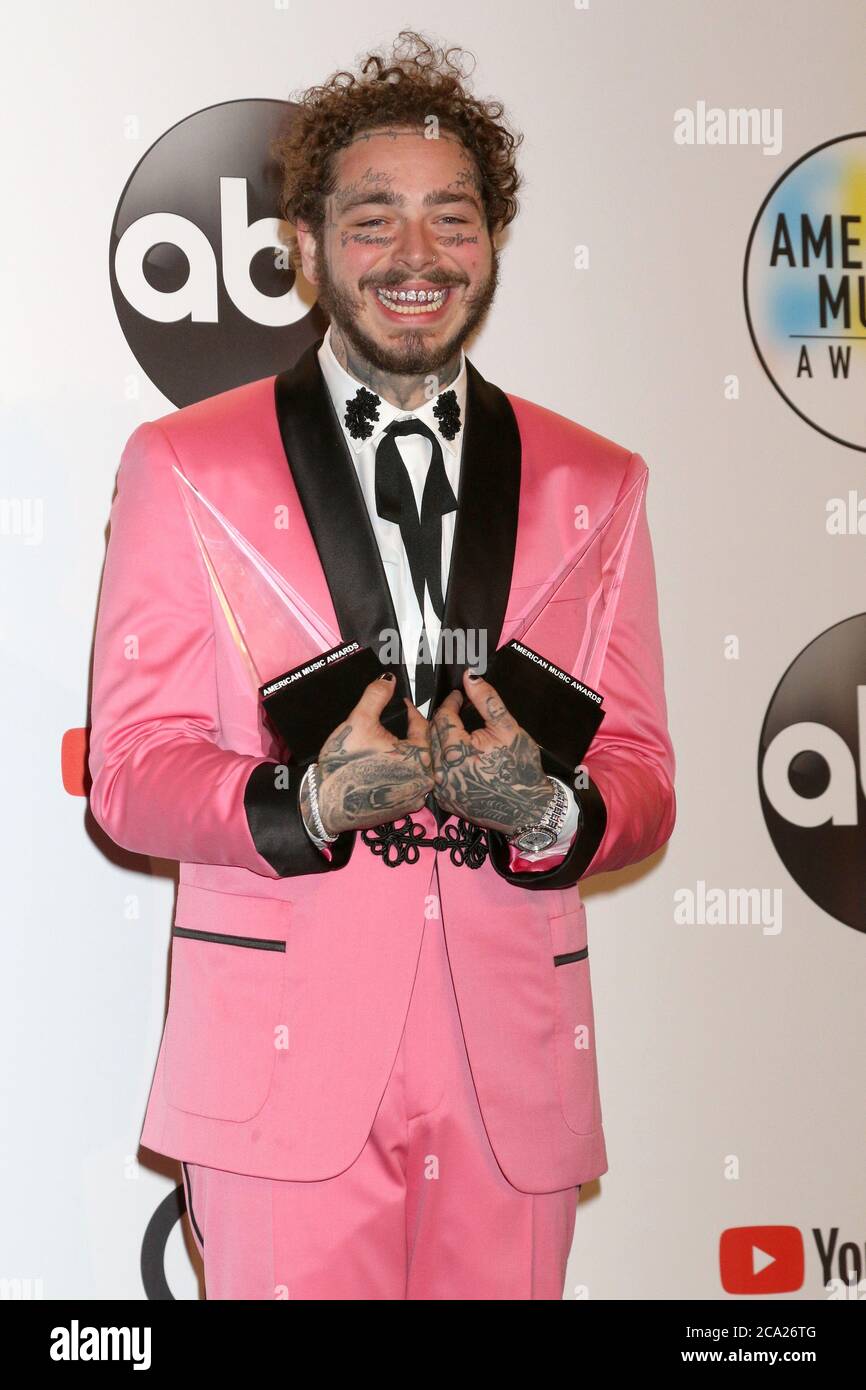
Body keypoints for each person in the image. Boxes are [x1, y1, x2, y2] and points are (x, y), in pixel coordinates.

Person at [88, 30, 676, 1300]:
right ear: (304, 247)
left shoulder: (595, 482)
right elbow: (131, 774)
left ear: (491, 243)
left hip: (510, 1066)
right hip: (281, 1062)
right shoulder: (187, 465)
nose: (416, 258)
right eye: (373, 220)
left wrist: (546, 808)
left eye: (450, 219)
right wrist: (300, 804)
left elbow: (643, 774)